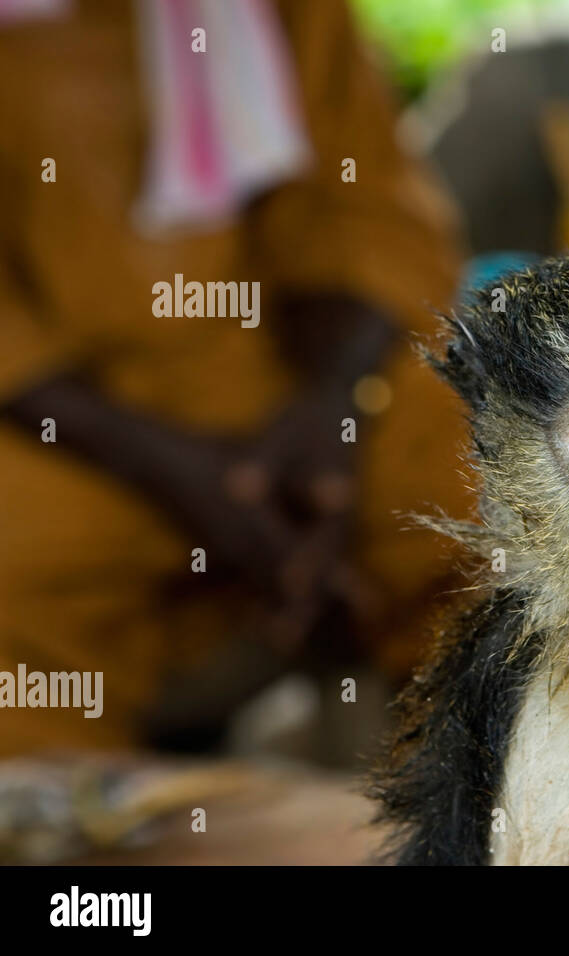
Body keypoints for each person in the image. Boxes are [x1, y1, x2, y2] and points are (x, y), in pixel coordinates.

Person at [0, 0, 474, 756]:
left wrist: (332, 420)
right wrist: (179, 472)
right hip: (62, 440)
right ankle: (92, 847)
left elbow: (369, 219)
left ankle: (504, 805)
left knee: (491, 470)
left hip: (295, 422)